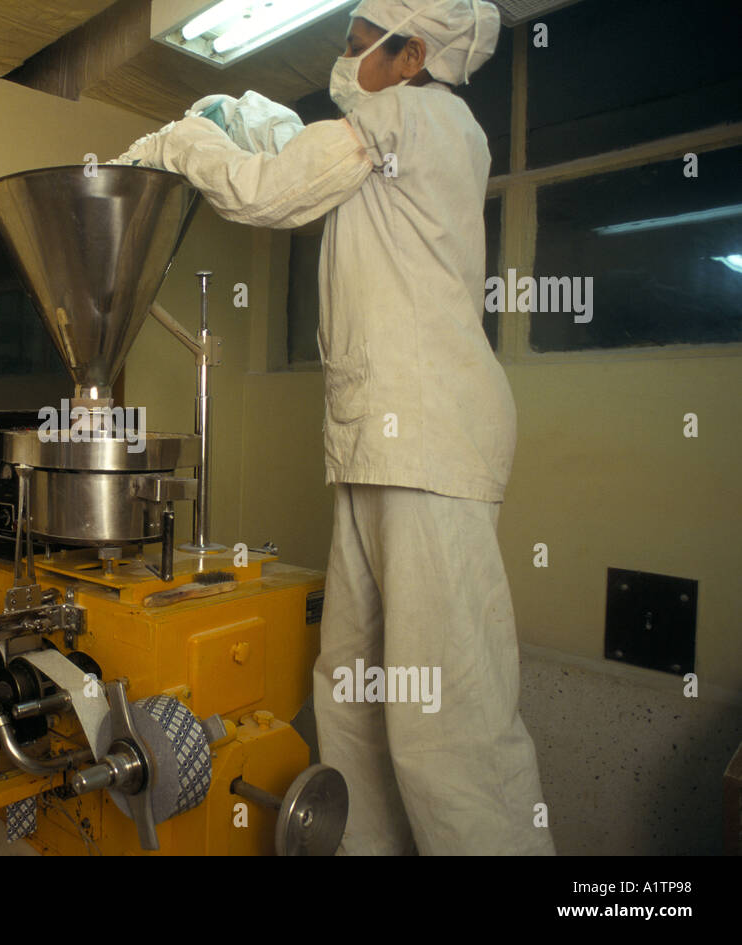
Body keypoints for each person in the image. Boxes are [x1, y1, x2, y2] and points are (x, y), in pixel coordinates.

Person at [116, 0, 553, 854]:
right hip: (376, 443)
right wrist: (234, 113)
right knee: (350, 695)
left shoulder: (422, 118)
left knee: (447, 723)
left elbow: (273, 188)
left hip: (428, 441)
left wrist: (177, 142)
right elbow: (302, 148)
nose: (344, 61)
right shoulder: (391, 129)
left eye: (358, 46)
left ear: (412, 52)